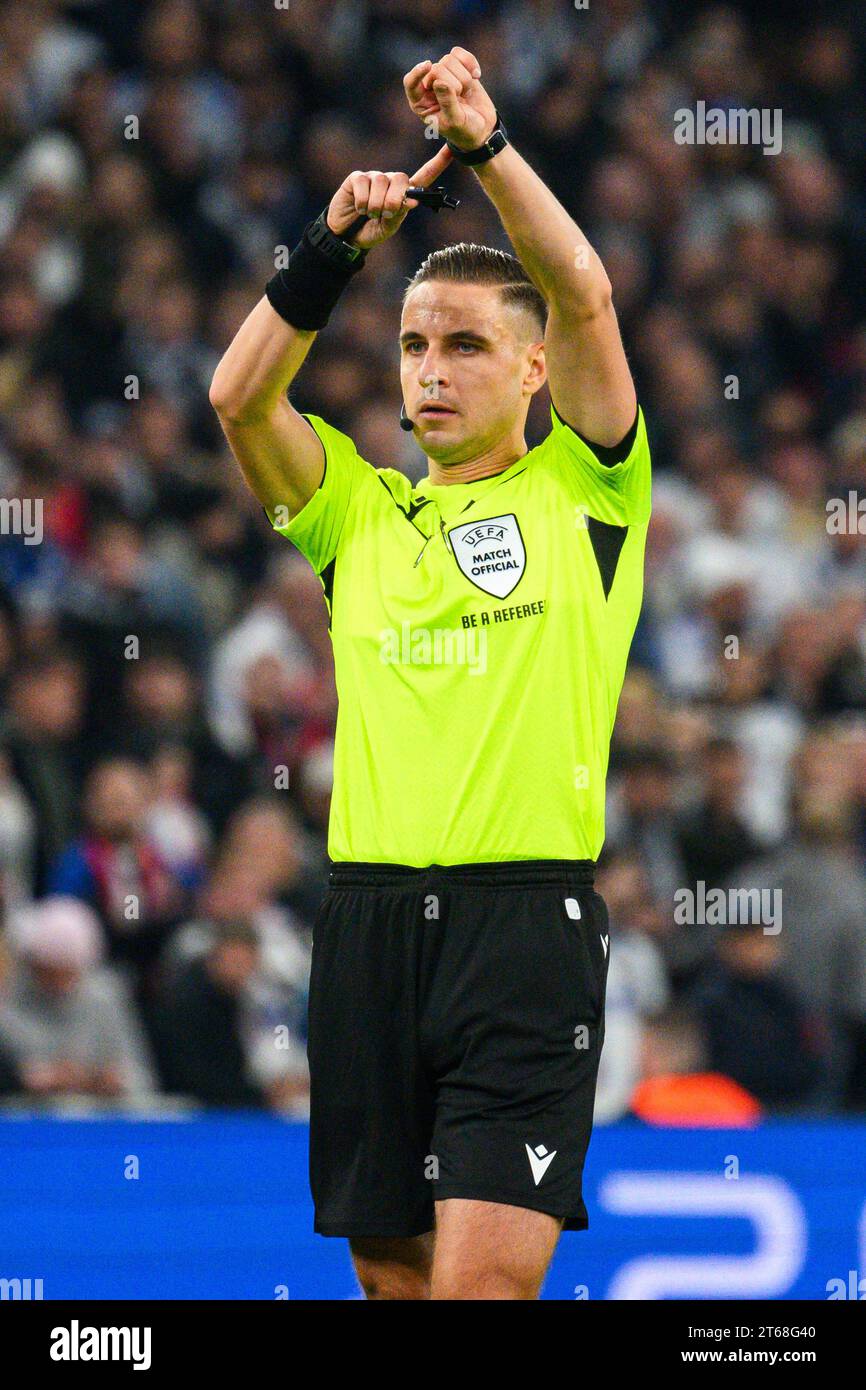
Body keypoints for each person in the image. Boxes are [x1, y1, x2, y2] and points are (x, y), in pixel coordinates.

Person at [210, 48, 651, 1300]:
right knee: (395, 1285)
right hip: (366, 929)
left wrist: (485, 143)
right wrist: (329, 249)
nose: (430, 370)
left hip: (523, 931)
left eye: (464, 345)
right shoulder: (359, 514)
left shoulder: (588, 491)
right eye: (412, 346)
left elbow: (585, 292)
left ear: (529, 370)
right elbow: (239, 399)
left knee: (479, 1291)